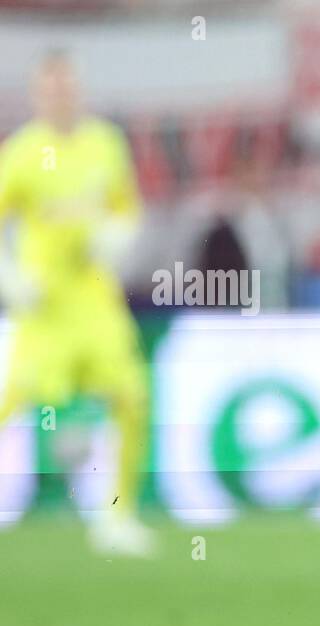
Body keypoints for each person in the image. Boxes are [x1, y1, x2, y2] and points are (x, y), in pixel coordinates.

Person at [0, 51, 152, 555]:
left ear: (77, 91)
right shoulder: (21, 153)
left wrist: (116, 236)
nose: (61, 96)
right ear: (38, 95)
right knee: (11, 403)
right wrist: (11, 277)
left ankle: (116, 517)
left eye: (67, 87)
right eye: (51, 89)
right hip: (43, 310)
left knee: (131, 397)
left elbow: (127, 209)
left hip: (96, 302)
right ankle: (64, 448)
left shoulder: (104, 144)